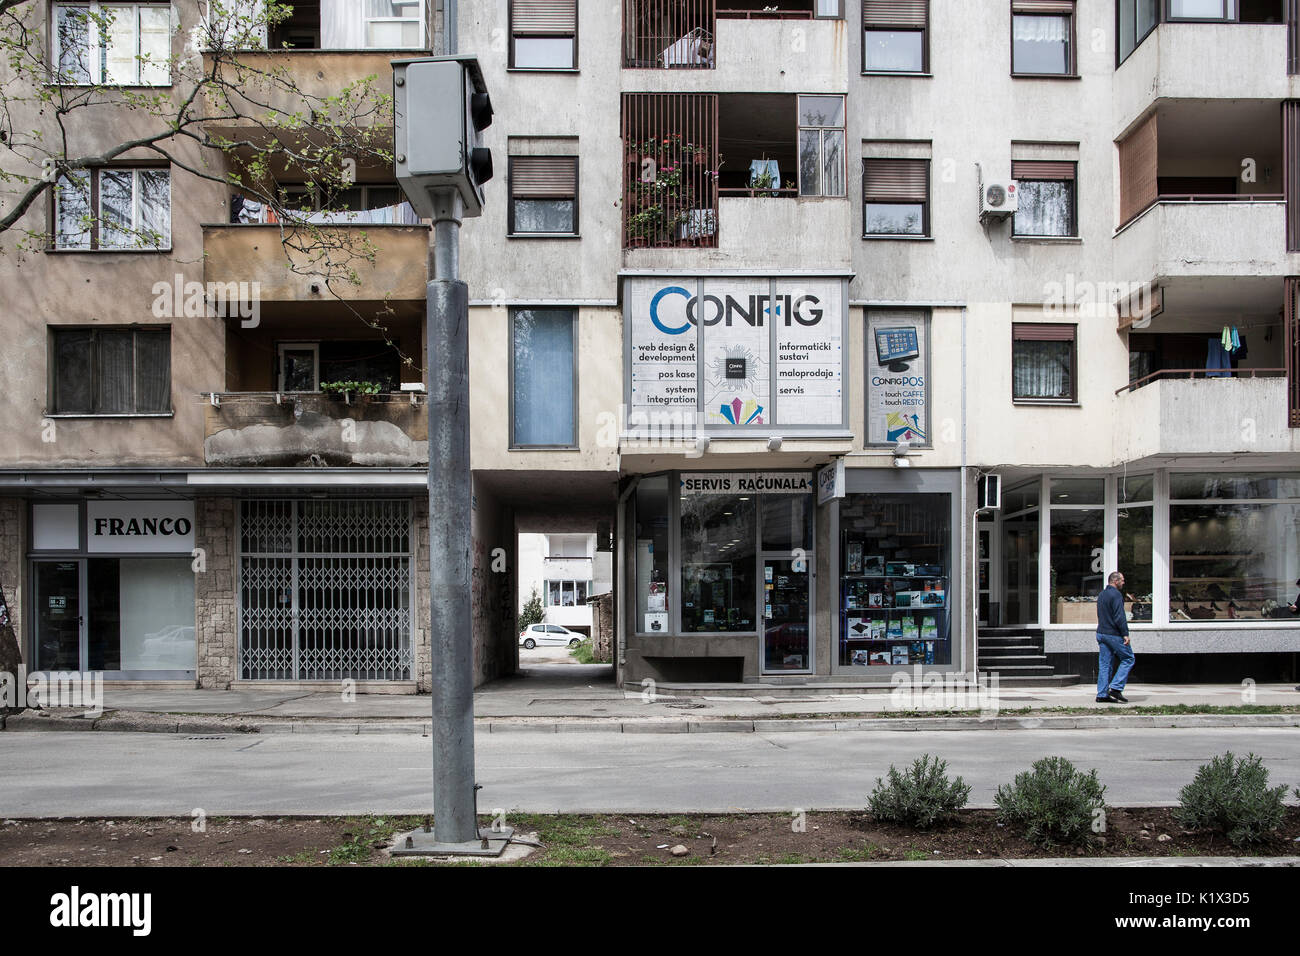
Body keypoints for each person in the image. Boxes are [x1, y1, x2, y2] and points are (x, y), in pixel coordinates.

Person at [1095, 570, 1134, 704]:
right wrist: (1125, 633)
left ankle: (1102, 694)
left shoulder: (1102, 594)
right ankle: (1116, 688)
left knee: (1105, 664)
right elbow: (1119, 616)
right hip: (1113, 634)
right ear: (1115, 581)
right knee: (1129, 658)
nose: (1124, 582)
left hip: (1101, 633)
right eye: (1122, 580)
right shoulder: (1116, 595)